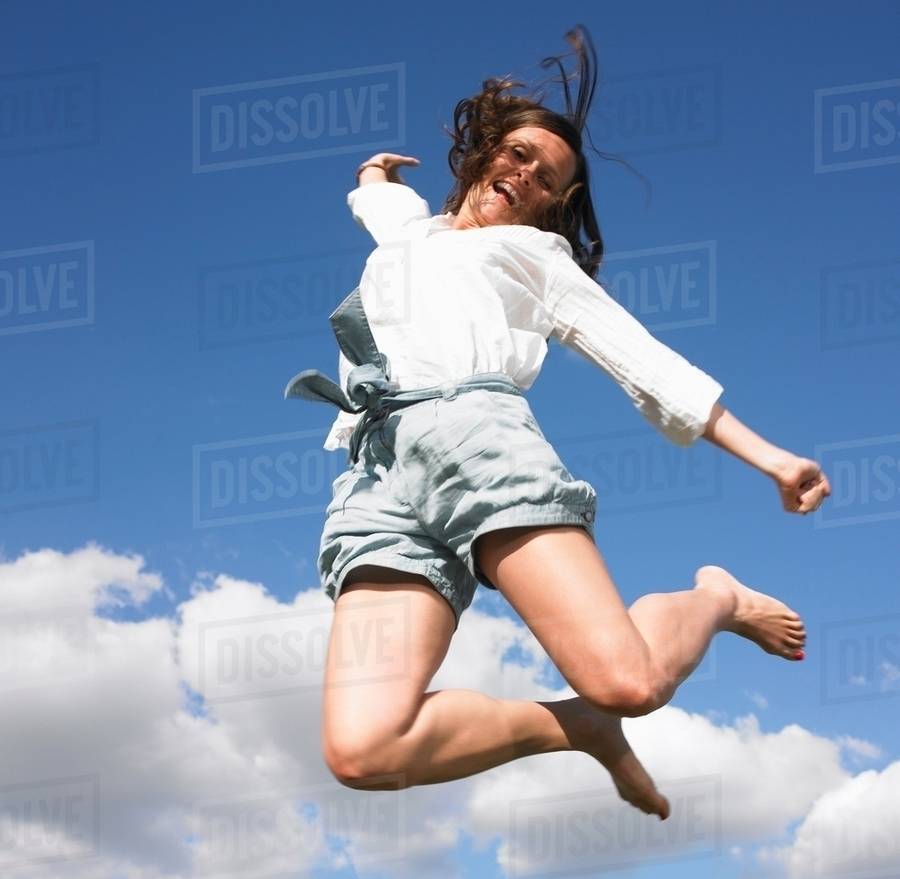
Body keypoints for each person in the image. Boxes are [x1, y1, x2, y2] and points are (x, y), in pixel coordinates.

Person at [288, 27, 830, 821]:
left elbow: (643, 362)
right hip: (377, 475)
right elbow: (384, 205)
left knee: (632, 683)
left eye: (545, 177)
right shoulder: (410, 233)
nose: (524, 174)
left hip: (479, 444)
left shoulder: (534, 258)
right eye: (515, 154)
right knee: (364, 750)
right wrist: (371, 172)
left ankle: (716, 599)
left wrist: (772, 458)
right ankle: (577, 729)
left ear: (552, 205)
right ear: (482, 154)